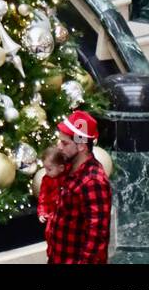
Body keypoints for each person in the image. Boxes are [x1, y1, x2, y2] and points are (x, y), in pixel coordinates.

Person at [46, 110, 112, 265]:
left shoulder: (93, 182)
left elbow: (97, 235)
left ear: (82, 146)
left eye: (65, 143)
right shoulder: (69, 167)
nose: (59, 146)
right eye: (60, 141)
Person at [36, 145, 67, 237]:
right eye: (45, 168)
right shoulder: (46, 180)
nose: (46, 172)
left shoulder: (67, 177)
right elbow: (43, 198)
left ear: (61, 168)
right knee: (50, 233)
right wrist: (42, 212)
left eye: (49, 169)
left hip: (66, 214)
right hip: (52, 214)